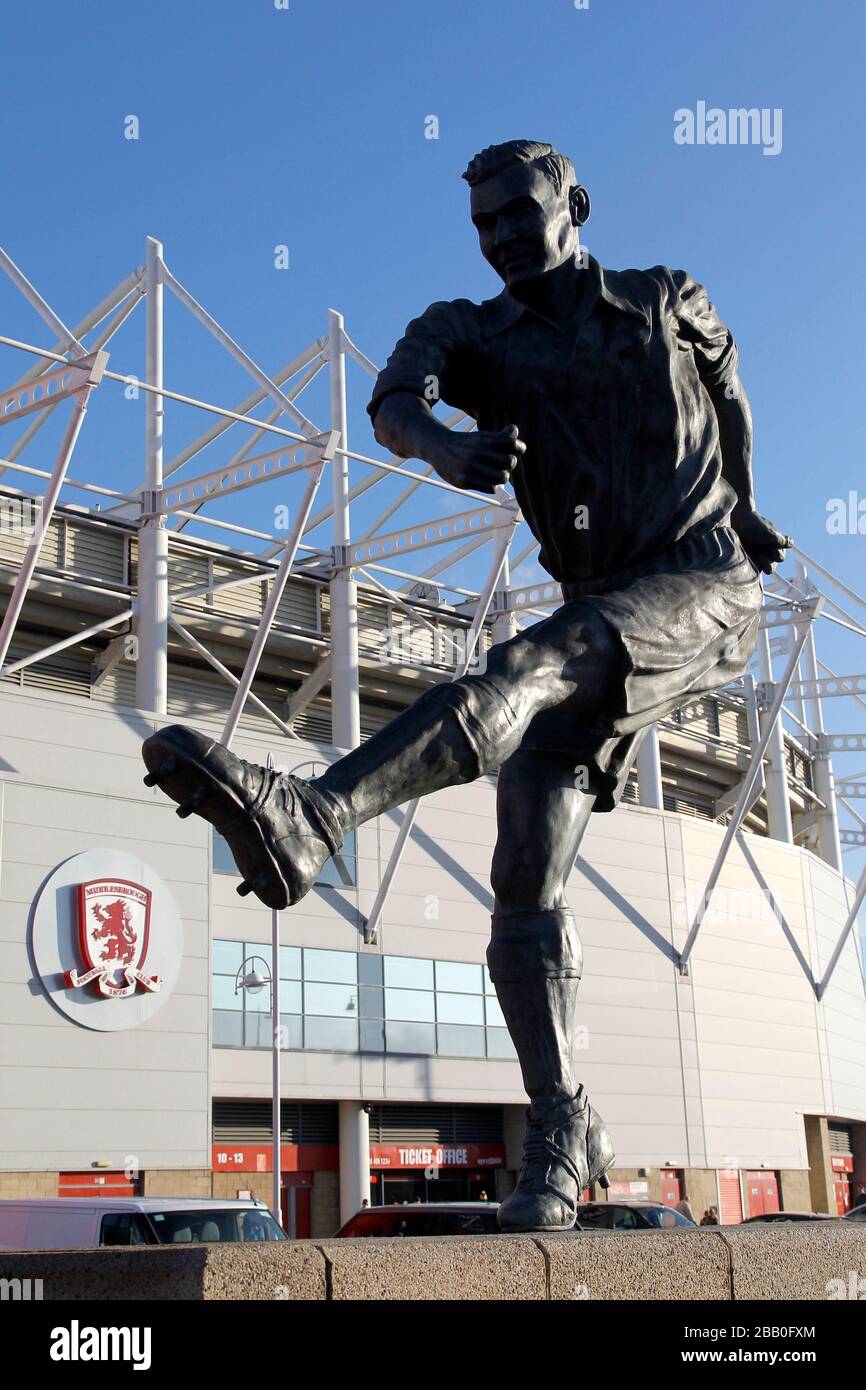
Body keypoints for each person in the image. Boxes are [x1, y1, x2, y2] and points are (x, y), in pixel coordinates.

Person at [142, 139, 789, 1235]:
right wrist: (441, 449)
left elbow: (728, 393)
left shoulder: (661, 299)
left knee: (524, 667)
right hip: (599, 603)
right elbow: (392, 399)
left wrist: (749, 503)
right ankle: (562, 1121)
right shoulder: (472, 332)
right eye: (481, 225)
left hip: (697, 583)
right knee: (523, 875)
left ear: (574, 204)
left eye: (517, 215)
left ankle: (317, 811)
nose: (498, 240)